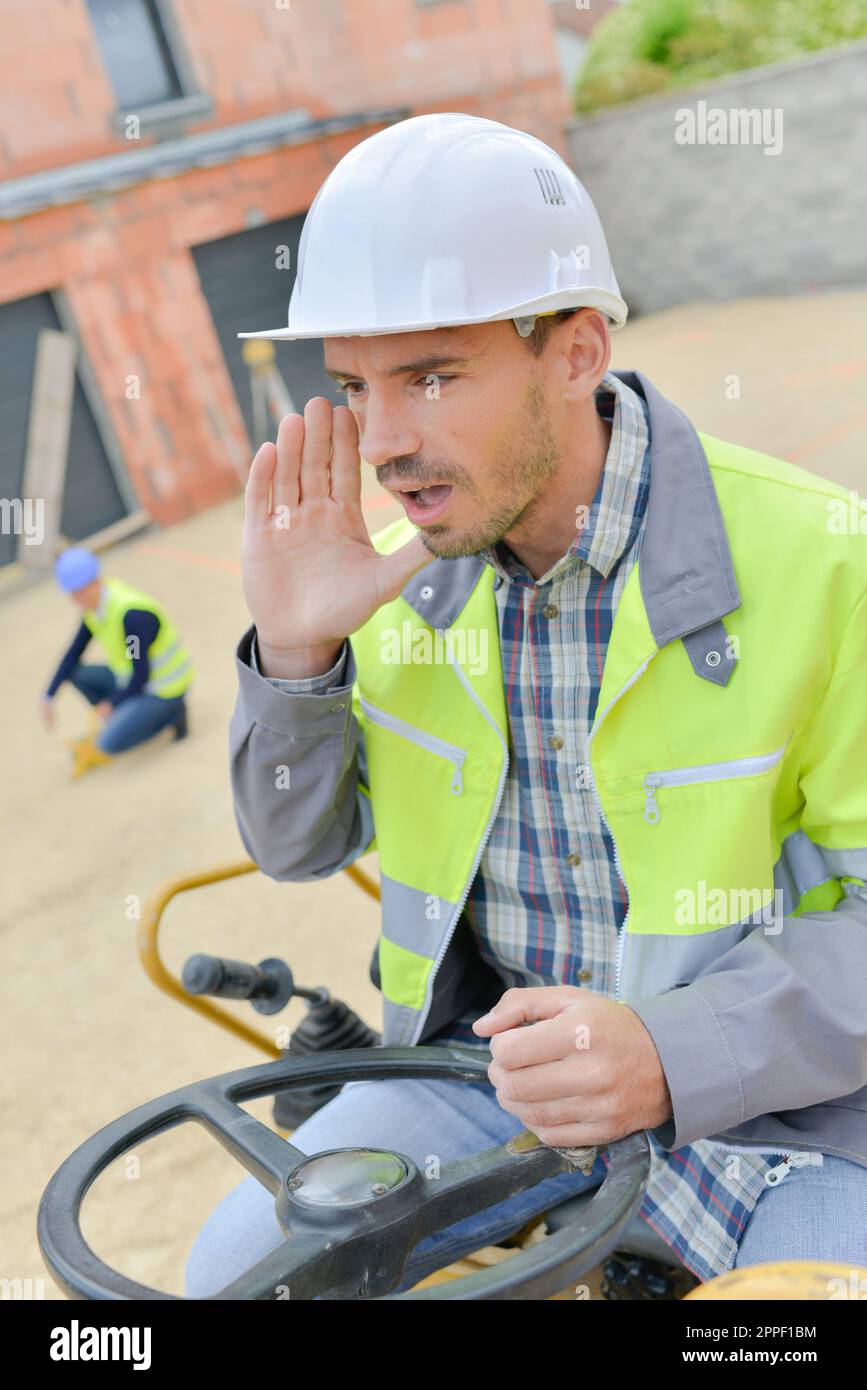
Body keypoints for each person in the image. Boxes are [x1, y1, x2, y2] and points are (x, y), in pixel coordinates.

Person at [185, 113, 867, 1297]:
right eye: (353, 387)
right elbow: (296, 846)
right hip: (481, 1079)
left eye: (431, 376)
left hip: (782, 1110)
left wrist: (669, 1046)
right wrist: (296, 654)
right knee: (235, 1278)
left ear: (576, 351)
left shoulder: (826, 561)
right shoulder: (388, 585)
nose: (383, 443)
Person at [41, 546, 193, 778]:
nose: (78, 600)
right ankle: (129, 714)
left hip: (164, 689)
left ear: (96, 581)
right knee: (77, 674)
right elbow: (72, 654)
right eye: (73, 594)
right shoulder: (95, 608)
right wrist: (49, 696)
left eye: (81, 592)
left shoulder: (132, 616)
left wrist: (111, 703)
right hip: (132, 679)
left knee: (107, 743)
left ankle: (172, 714)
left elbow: (141, 675)